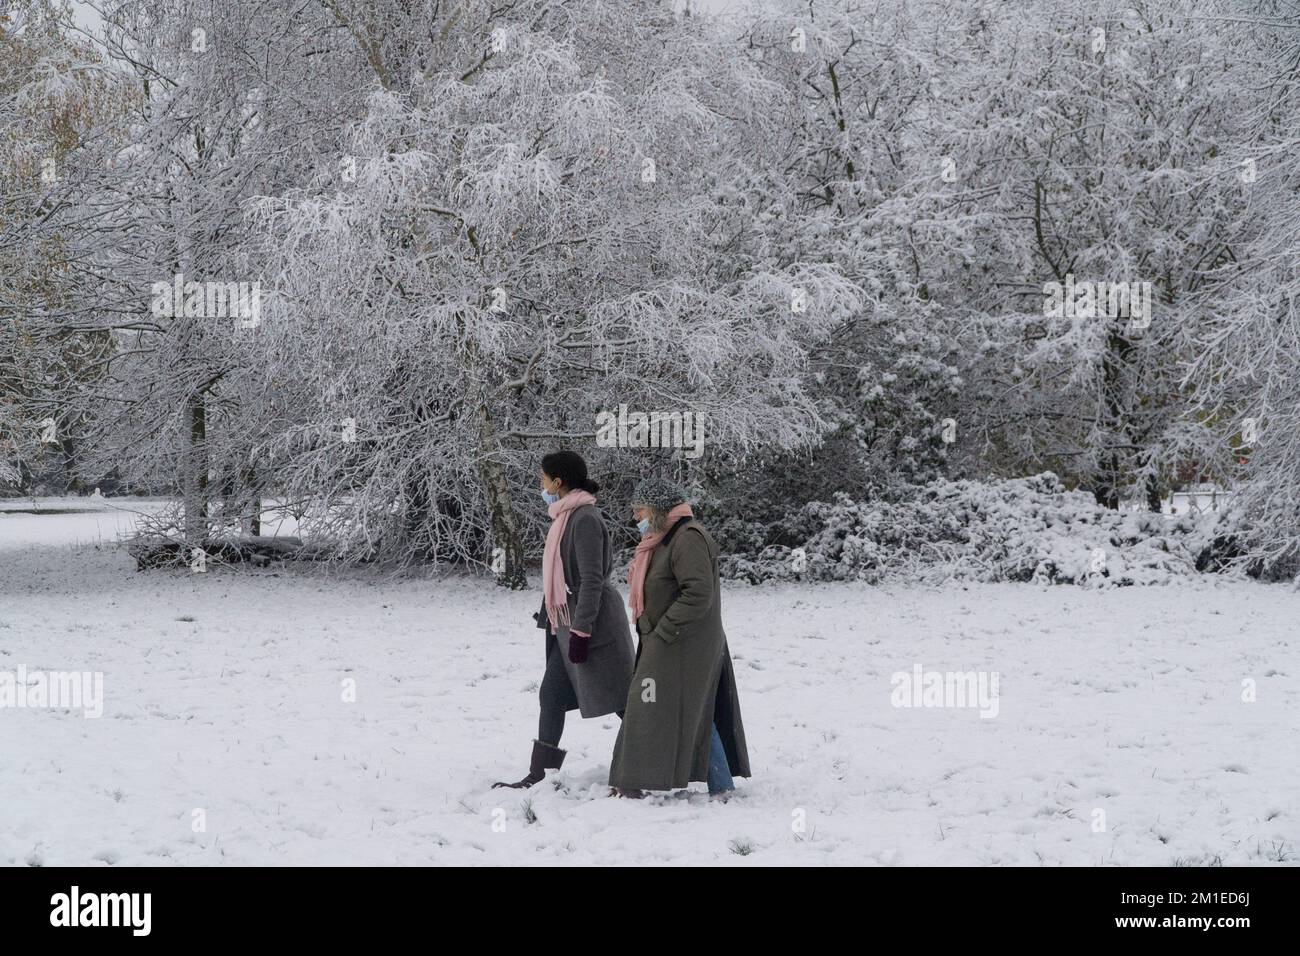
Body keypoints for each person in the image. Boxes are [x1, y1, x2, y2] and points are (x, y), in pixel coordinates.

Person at [493, 451, 635, 789]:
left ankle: (651, 766)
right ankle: (539, 776)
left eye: (543, 476)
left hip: (593, 626)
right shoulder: (564, 517)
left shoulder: (584, 519)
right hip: (566, 625)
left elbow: (591, 580)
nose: (540, 483)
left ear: (558, 482)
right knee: (552, 695)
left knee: (621, 701)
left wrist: (582, 631)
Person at [608, 477, 750, 798]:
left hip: (684, 643)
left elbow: (698, 592)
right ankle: (719, 784)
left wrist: (664, 629)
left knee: (662, 706)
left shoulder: (688, 539)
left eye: (640, 510)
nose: (636, 517)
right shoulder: (663, 539)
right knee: (685, 709)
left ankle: (633, 782)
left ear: (658, 509)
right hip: (668, 641)